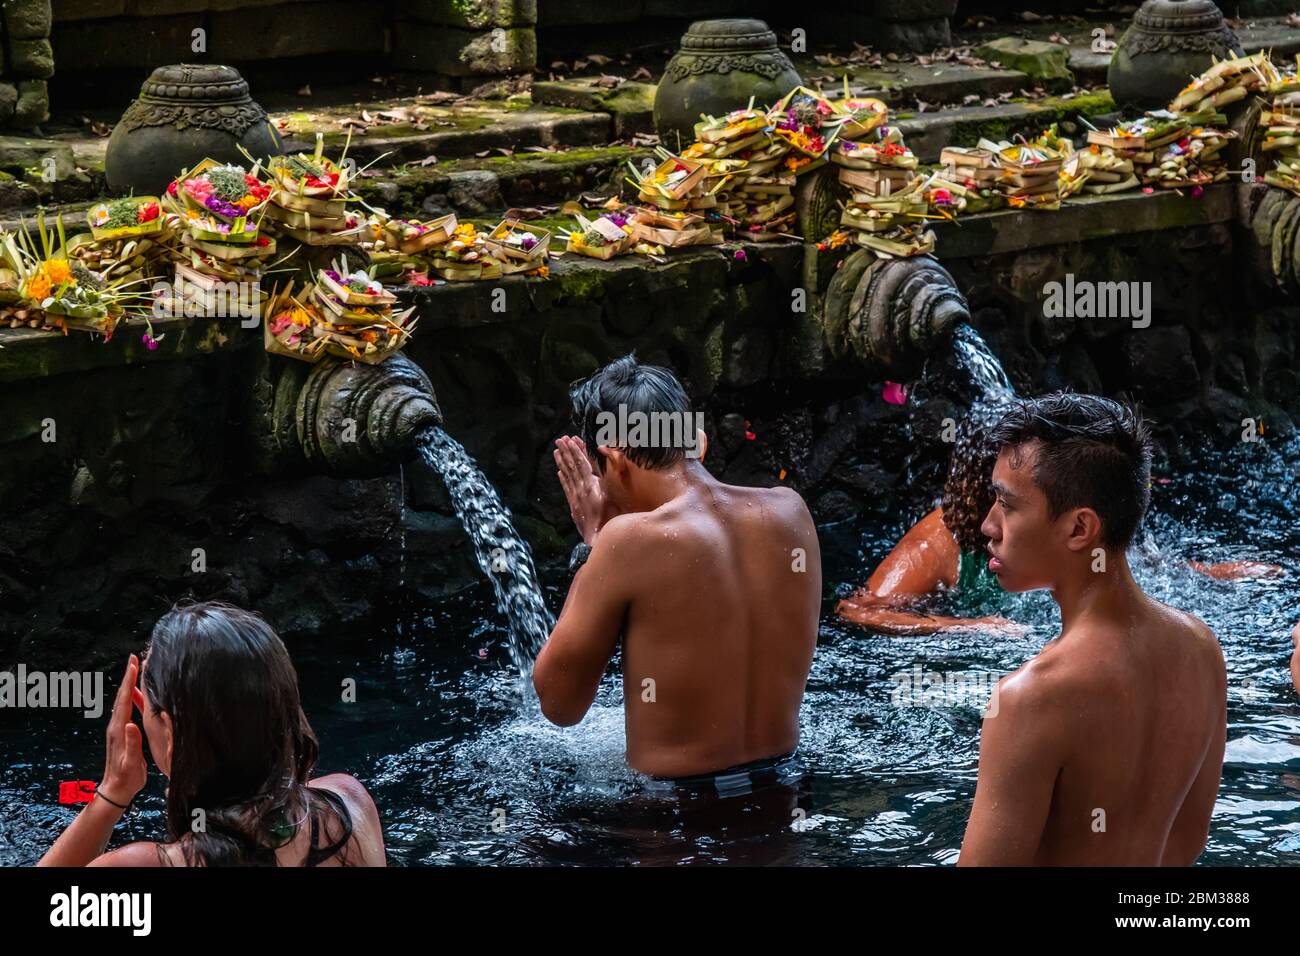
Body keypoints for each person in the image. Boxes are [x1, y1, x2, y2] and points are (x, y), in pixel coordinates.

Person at [957, 393, 1226, 866]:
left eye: (1007, 504)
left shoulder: (1030, 699)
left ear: (1080, 529)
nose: (987, 525)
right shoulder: (1202, 649)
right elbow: (1188, 843)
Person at [533, 353, 821, 794]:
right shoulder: (791, 512)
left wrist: (592, 542)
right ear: (699, 445)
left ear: (614, 458)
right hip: (787, 796)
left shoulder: (625, 542)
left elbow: (558, 703)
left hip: (676, 827)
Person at [837, 410, 1281, 635]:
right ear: (973, 490)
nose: (994, 520)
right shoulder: (935, 546)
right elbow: (856, 609)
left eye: (1007, 501)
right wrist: (965, 628)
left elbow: (1124, 563)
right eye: (995, 495)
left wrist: (1210, 576)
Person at [39, 602, 386, 867]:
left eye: (146, 706)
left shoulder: (145, 864)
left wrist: (111, 794)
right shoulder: (350, 806)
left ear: (172, 732)